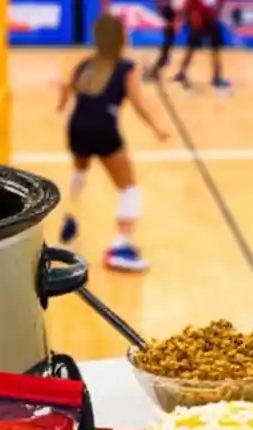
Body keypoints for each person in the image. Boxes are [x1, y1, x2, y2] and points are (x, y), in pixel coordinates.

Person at [57, 15, 170, 273]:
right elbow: (139, 103)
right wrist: (158, 129)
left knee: (79, 173)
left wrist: (61, 104)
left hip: (76, 127)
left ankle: (69, 227)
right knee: (129, 188)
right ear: (120, 38)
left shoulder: (86, 64)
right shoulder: (126, 67)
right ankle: (120, 248)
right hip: (103, 128)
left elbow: (66, 87)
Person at [172, 0, 231, 92]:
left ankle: (217, 77)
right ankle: (182, 73)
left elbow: (220, 4)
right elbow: (186, 6)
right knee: (191, 49)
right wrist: (179, 21)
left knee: (215, 49)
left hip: (210, 19)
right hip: (198, 20)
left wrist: (217, 13)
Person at [146, 0, 180, 82]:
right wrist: (172, 24)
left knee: (165, 56)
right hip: (168, 33)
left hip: (169, 33)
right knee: (165, 56)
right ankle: (153, 72)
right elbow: (168, 22)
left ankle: (153, 71)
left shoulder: (168, 9)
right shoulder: (168, 9)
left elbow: (171, 20)